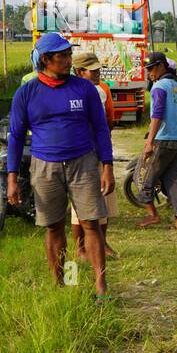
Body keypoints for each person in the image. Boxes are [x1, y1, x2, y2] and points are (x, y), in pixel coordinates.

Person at [7, 32, 115, 297]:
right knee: (55, 226)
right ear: (46, 59)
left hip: (83, 164)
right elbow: (16, 136)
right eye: (63, 56)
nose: (68, 60)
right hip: (45, 167)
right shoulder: (27, 93)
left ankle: (101, 287)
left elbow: (101, 128)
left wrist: (107, 166)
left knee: (91, 224)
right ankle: (65, 281)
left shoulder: (84, 89)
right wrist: (12, 178)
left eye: (68, 54)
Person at [70, 51, 119, 260]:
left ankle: (103, 244)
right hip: (80, 153)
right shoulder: (71, 92)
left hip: (98, 151)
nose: (98, 72)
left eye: (98, 68)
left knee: (105, 199)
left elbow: (108, 121)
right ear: (81, 72)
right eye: (93, 70)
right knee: (78, 206)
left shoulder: (102, 89)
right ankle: (80, 249)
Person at [137, 51, 177, 229]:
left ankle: (153, 215)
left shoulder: (159, 87)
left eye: (151, 68)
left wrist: (149, 141)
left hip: (163, 139)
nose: (149, 73)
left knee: (142, 177)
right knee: (176, 181)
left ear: (161, 66)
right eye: (147, 69)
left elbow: (157, 114)